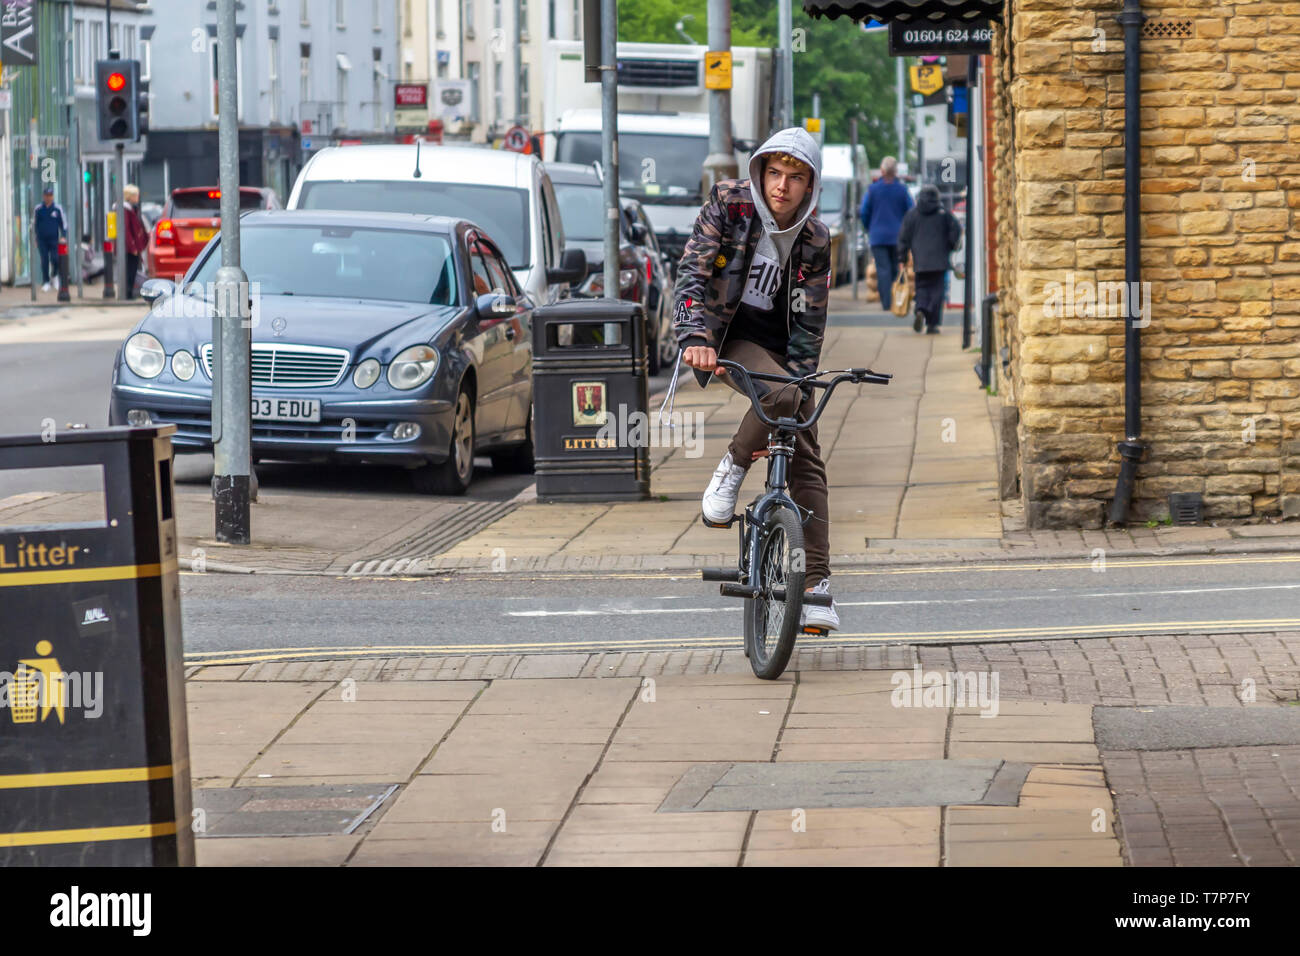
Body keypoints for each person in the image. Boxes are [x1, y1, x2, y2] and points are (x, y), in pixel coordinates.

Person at [671, 127, 840, 630]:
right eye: (774, 173)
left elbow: (811, 320)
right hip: (726, 337)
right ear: (760, 171)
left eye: (795, 177)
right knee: (785, 395)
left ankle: (815, 587)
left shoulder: (815, 237)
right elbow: (692, 275)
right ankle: (733, 464)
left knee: (804, 439)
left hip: (779, 348)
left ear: (810, 185)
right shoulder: (729, 203)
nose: (781, 186)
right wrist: (694, 337)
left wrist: (807, 377)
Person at [898, 184, 962, 334]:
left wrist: (902, 256)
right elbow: (956, 230)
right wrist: (952, 245)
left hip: (920, 259)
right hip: (939, 259)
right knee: (937, 292)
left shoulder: (912, 215)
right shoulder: (944, 214)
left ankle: (920, 308)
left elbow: (903, 237)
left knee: (922, 287)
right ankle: (932, 324)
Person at [858, 156, 913, 311]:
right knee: (896, 268)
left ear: (882, 171)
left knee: (883, 269)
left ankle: (886, 303)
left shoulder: (873, 190)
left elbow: (864, 212)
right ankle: (896, 300)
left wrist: (870, 227)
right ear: (895, 172)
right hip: (898, 236)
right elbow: (910, 211)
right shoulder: (902, 190)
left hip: (878, 237)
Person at [32, 186, 67, 293]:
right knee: (44, 260)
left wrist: (63, 236)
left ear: (53, 196)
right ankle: (46, 281)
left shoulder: (57, 208)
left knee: (55, 259)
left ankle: (55, 276)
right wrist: (36, 238)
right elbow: (35, 224)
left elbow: (63, 224)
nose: (48, 198)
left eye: (50, 195)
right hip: (42, 240)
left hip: (54, 239)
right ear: (43, 196)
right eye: (47, 195)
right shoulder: (38, 209)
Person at [122, 184, 150, 299]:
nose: (138, 197)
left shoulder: (132, 208)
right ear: (130, 196)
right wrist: (132, 247)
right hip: (130, 247)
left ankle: (129, 291)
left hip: (133, 246)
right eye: (136, 195)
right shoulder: (126, 210)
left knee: (133, 269)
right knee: (130, 269)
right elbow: (126, 229)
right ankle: (128, 292)